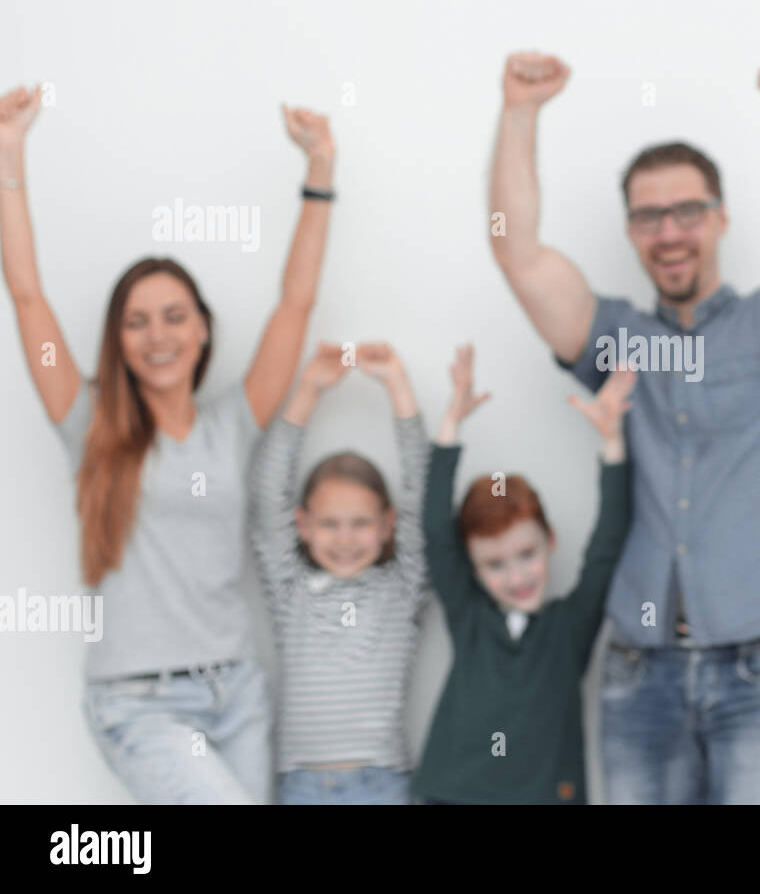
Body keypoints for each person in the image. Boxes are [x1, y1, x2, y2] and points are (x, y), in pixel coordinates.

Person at [487, 50, 760, 803]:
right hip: (639, 677)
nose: (669, 232)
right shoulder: (614, 338)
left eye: (687, 211)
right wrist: (520, 111)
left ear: (719, 217)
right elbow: (521, 257)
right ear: (632, 231)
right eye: (648, 216)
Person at [0, 85, 336, 803]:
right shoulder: (86, 423)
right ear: (117, 342)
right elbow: (27, 296)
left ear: (203, 328)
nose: (158, 336)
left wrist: (320, 171)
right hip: (139, 703)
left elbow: (295, 303)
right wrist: (9, 150)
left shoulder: (233, 421)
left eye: (174, 316)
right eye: (137, 322)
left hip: (239, 692)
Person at [411, 345, 632, 804]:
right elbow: (434, 529)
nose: (516, 576)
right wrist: (450, 425)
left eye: (526, 554)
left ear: (550, 540)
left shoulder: (570, 626)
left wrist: (612, 444)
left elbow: (606, 547)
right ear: (472, 568)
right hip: (453, 793)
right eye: (494, 564)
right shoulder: (469, 616)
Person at [248, 341, 431, 804]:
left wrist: (398, 386)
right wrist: (307, 391)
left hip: (384, 782)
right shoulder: (292, 590)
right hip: (303, 786)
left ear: (387, 524)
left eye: (360, 523)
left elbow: (423, 494)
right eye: (329, 524)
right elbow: (267, 492)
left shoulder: (402, 587)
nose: (345, 539)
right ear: (303, 526)